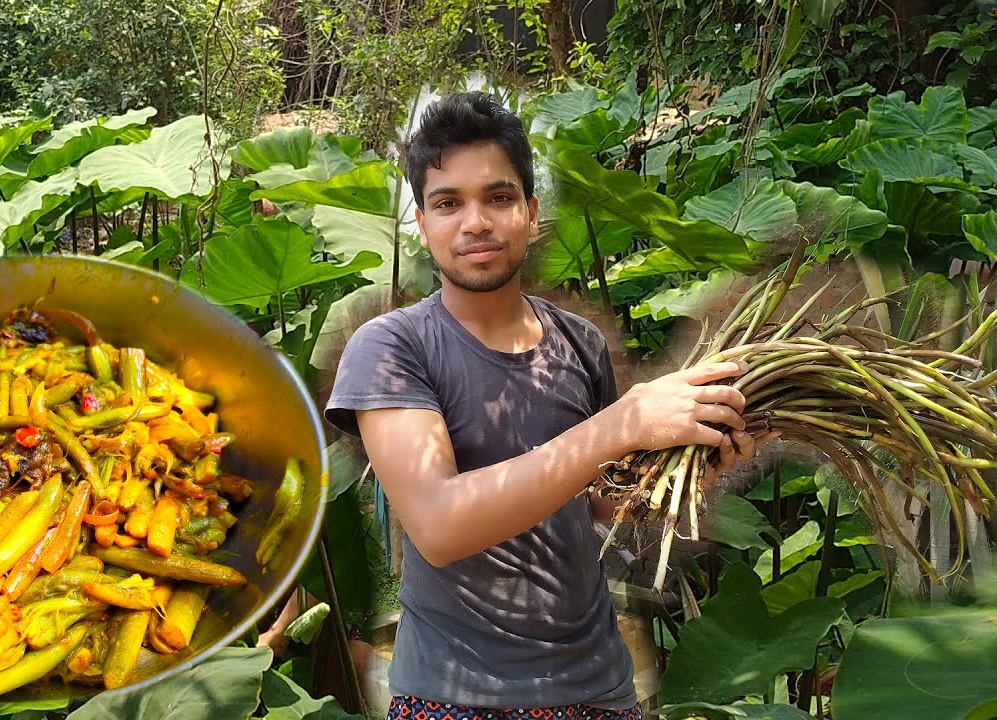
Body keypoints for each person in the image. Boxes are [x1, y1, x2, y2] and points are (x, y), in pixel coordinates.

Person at [323, 91, 776, 720]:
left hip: (598, 687)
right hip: (456, 696)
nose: (475, 222)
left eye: (498, 197)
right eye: (448, 203)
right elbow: (439, 524)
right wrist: (620, 424)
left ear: (531, 214)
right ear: (422, 226)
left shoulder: (578, 342)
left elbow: (602, 502)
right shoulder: (392, 346)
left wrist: (692, 468)